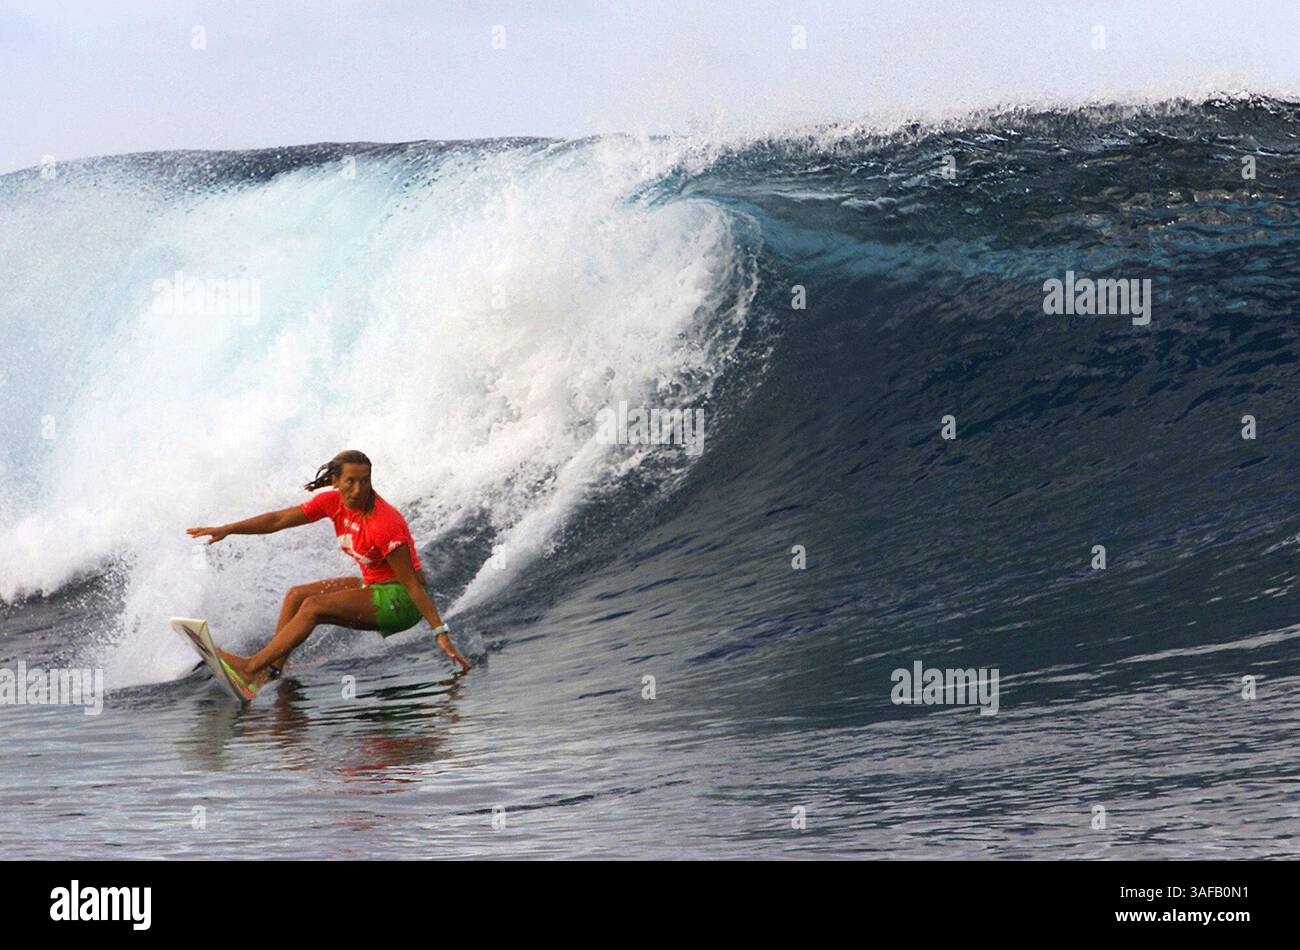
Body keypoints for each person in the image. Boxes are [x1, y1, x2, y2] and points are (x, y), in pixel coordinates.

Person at [185, 450, 470, 691]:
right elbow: (277, 520)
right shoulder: (332, 503)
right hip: (374, 586)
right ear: (335, 481)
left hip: (400, 601)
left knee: (313, 607)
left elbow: (411, 584)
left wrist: (440, 631)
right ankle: (271, 672)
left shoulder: (384, 522)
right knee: (297, 595)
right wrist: (229, 529)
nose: (359, 490)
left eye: (365, 481)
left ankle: (250, 668)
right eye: (351, 481)